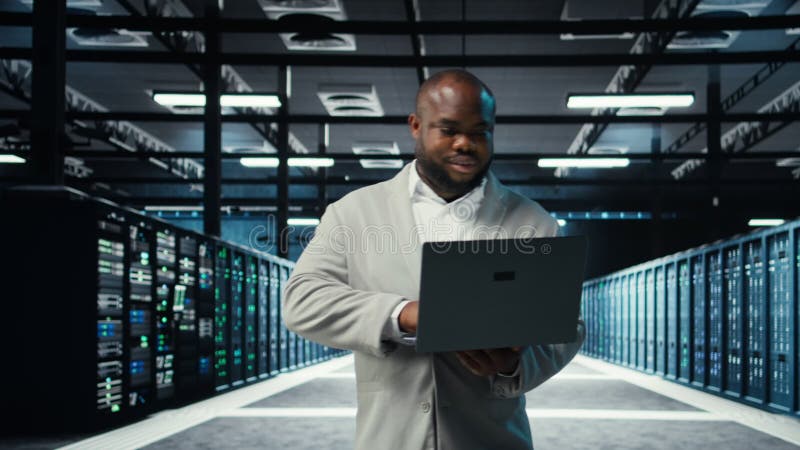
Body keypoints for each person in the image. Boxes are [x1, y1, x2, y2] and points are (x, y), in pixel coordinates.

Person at [283, 69, 586, 450]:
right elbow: (302, 301)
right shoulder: (353, 213)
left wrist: (511, 366)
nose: (465, 143)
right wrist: (404, 314)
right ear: (416, 125)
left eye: (480, 132)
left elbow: (565, 327)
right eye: (449, 129)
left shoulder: (532, 221)